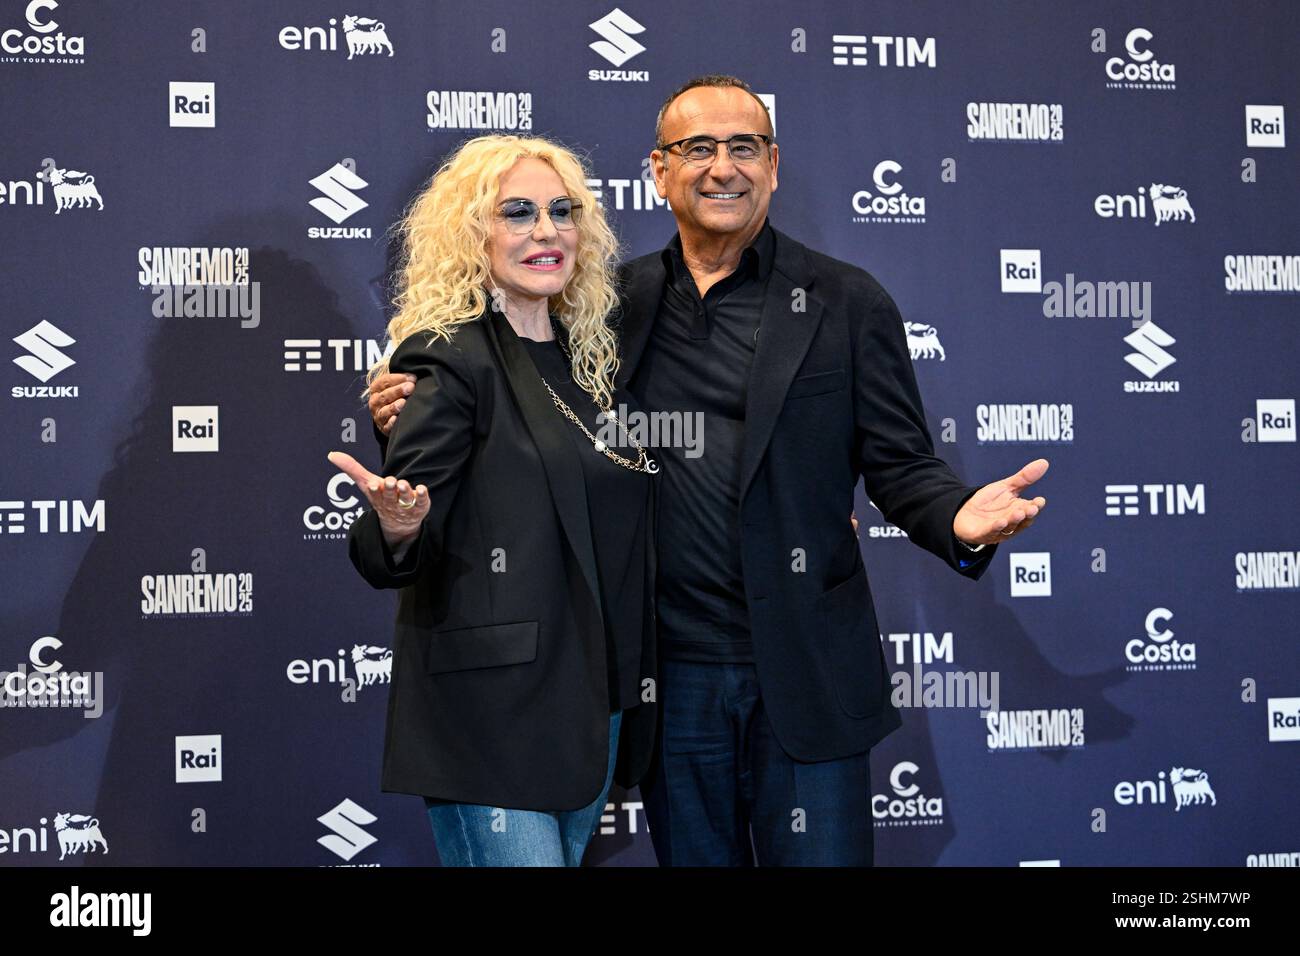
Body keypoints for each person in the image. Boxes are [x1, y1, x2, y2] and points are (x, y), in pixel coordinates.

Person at [369, 76, 1049, 866]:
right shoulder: (607, 309)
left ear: (773, 165)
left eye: (743, 147)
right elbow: (500, 389)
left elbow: (901, 463)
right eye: (698, 148)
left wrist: (959, 518)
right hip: (667, 674)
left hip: (810, 669)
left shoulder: (847, 302)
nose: (722, 166)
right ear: (660, 171)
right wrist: (399, 405)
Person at [329, 134, 658, 866]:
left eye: (561, 212)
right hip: (491, 711)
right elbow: (387, 539)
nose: (546, 231)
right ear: (474, 235)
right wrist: (399, 525)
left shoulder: (595, 367)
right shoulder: (445, 357)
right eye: (517, 212)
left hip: (593, 702)